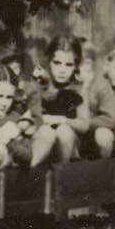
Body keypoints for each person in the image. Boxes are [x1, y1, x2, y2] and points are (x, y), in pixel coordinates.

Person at [26, 35, 90, 166]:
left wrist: (61, 120)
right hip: (39, 139)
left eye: (69, 65)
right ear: (49, 61)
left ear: (76, 66)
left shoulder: (77, 90)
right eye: (57, 63)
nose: (62, 70)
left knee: (64, 131)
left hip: (67, 145)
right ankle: (31, 173)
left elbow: (84, 125)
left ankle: (62, 175)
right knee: (45, 132)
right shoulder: (38, 85)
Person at [0, 63, 35, 169]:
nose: (4, 103)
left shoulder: (14, 119)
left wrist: (8, 141)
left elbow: (29, 155)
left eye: (9, 97)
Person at [83, 42, 115, 158]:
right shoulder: (68, 82)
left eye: (86, 63)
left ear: (92, 64)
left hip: (94, 127)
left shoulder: (100, 85)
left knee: (105, 134)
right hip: (78, 130)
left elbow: (110, 118)